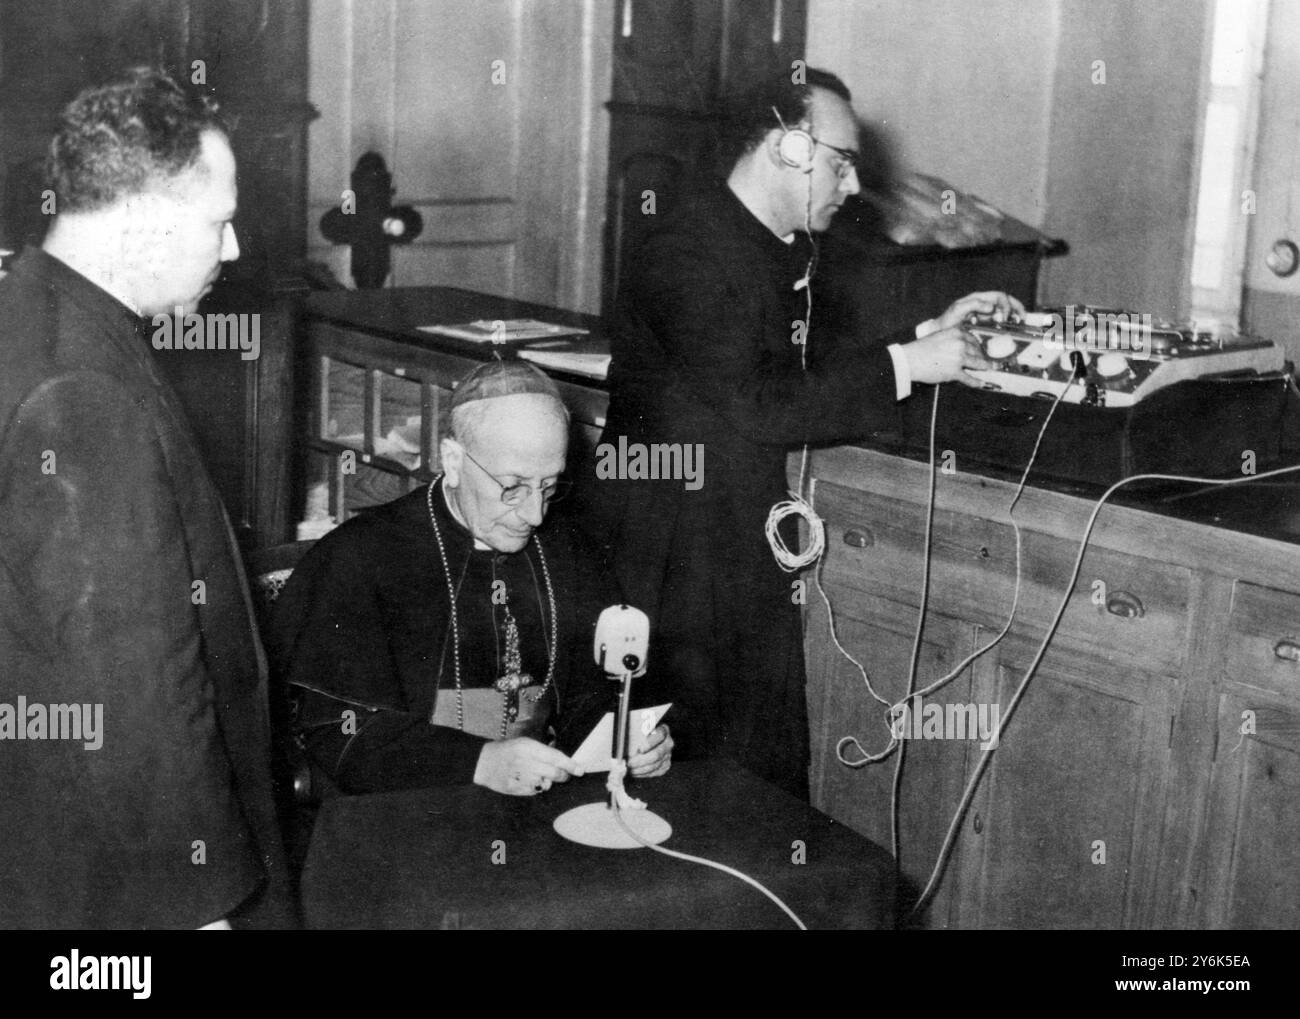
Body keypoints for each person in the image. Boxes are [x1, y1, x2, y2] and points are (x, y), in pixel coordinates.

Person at [577, 67, 1023, 800]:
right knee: (677, 778)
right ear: (786, 147)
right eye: (842, 161)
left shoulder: (774, 243)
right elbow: (759, 400)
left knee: (753, 776)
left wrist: (926, 333)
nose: (854, 184)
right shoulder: (685, 247)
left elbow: (807, 364)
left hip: (730, 542)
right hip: (666, 550)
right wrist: (908, 365)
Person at [0, 69, 293, 928]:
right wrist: (198, 904)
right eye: (218, 220)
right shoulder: (83, 389)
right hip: (124, 875)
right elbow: (133, 677)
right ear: (139, 217)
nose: (232, 249)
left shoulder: (30, 313)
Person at [270, 360, 673, 797]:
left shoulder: (567, 548)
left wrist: (626, 743)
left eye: (549, 485)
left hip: (540, 798)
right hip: (404, 806)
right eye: (512, 487)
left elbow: (585, 697)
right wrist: (477, 762)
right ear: (454, 460)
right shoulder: (361, 557)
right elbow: (341, 730)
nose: (535, 514)